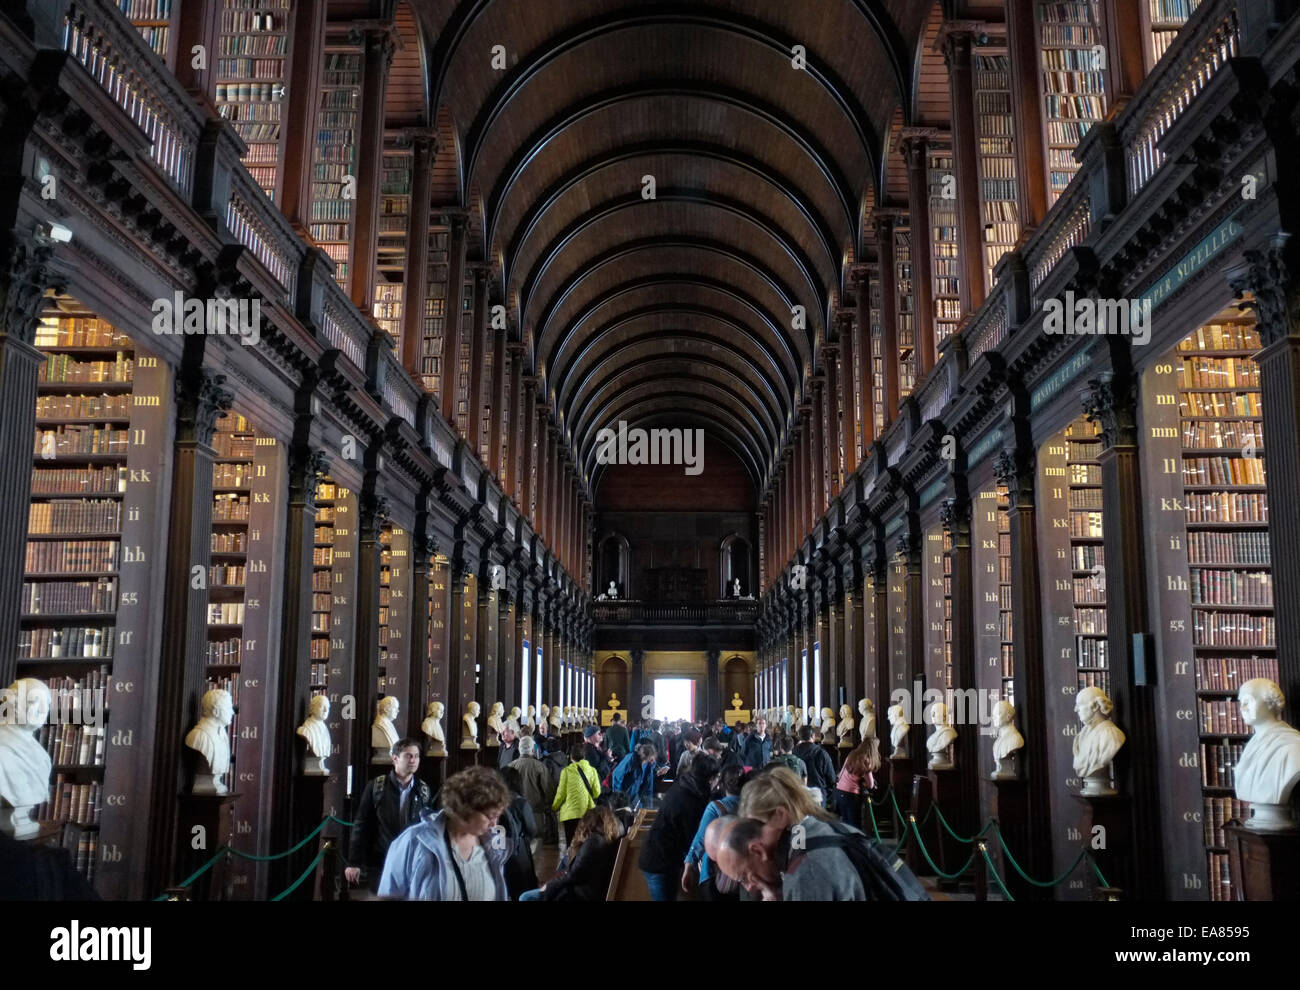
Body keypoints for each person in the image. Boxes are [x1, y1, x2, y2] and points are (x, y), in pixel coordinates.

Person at [379, 766, 512, 900]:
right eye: (490, 816)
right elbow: (389, 894)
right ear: (466, 809)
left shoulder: (492, 846)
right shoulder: (414, 840)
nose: (494, 824)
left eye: (498, 816)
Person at [346, 738, 433, 892]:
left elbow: (428, 828)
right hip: (381, 859)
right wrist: (354, 862)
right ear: (395, 759)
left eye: (416, 756)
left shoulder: (423, 790)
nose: (413, 760)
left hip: (411, 859)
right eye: (408, 756)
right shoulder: (377, 786)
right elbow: (361, 824)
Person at [637, 754, 721, 901]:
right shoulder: (690, 800)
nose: (717, 783)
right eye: (716, 778)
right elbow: (694, 838)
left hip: (662, 858)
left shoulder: (685, 784)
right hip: (659, 862)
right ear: (709, 779)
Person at [522, 805, 623, 901]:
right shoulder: (607, 842)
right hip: (590, 891)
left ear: (589, 823)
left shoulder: (594, 843)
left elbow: (574, 875)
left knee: (526, 897)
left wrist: (549, 886)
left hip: (579, 895)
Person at [682, 765, 743, 900]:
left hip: (714, 874)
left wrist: (689, 865)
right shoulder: (752, 806)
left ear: (722, 785)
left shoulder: (716, 808)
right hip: (743, 877)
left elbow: (701, 839)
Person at [507, 735, 556, 853]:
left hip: (514, 814)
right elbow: (548, 790)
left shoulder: (510, 766)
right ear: (533, 750)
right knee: (536, 849)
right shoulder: (539, 766)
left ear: (519, 749)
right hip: (536, 813)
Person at [498, 766, 539, 899]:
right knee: (521, 888)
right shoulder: (521, 803)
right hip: (519, 851)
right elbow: (532, 829)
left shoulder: (495, 801)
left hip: (498, 849)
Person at [553, 744, 601, 848]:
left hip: (570, 815)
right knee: (585, 845)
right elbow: (597, 792)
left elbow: (561, 794)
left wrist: (554, 807)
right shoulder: (592, 771)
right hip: (587, 813)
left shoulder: (566, 771)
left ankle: (571, 862)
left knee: (571, 846)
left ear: (571, 757)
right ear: (584, 756)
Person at [833, 738, 881, 830]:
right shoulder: (866, 761)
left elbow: (841, 773)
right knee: (854, 825)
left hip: (840, 791)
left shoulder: (851, 755)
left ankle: (846, 843)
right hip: (851, 794)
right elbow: (870, 784)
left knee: (845, 823)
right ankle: (855, 843)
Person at [793, 725, 837, 802]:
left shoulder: (793, 752)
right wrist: (826, 792)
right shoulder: (821, 753)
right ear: (813, 736)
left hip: (797, 793)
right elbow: (831, 777)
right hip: (818, 794)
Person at [611, 742, 659, 809]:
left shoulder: (649, 766)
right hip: (623, 795)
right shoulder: (631, 758)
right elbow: (617, 775)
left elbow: (648, 787)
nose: (653, 761)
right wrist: (619, 796)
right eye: (651, 759)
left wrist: (647, 806)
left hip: (634, 797)